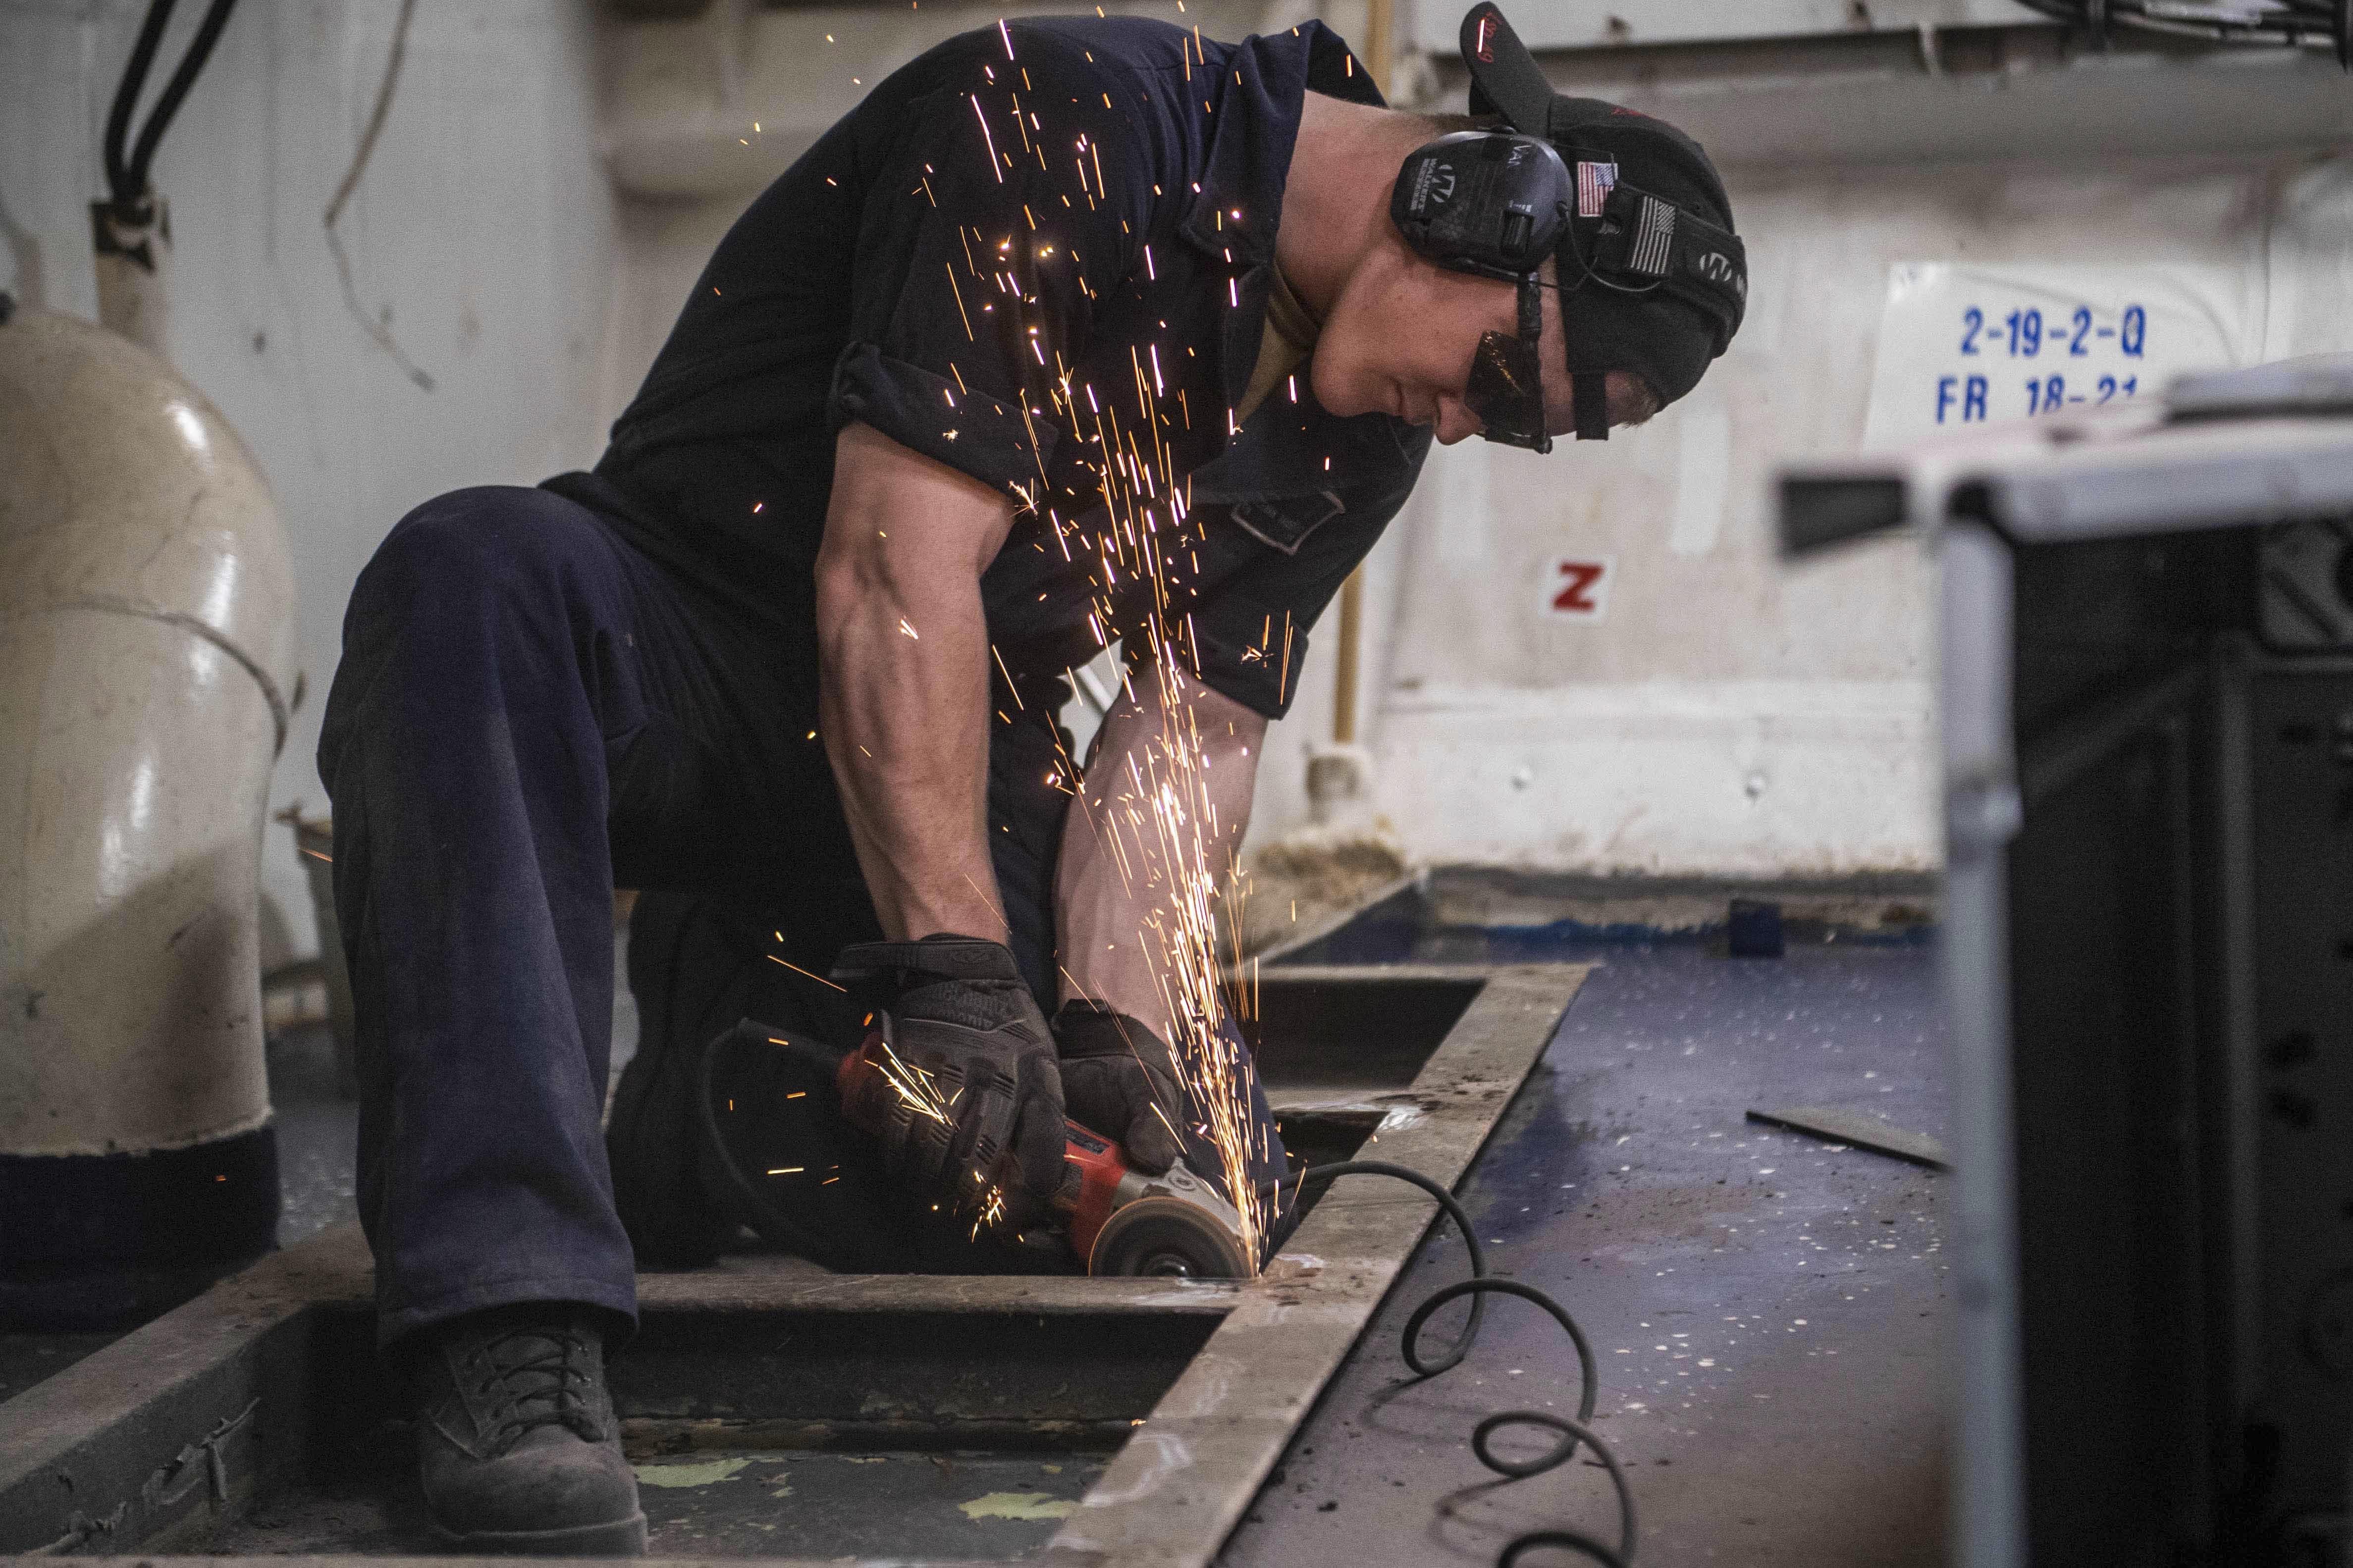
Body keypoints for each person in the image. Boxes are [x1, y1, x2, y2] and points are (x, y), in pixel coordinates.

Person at [316, 1, 1745, 1553]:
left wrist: (1119, 1029)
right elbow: (890, 568)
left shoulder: (1359, 432)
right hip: (686, 645)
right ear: (1480, 203)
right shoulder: (1078, 121)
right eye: (1503, 384)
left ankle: (714, 1072)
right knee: (472, 574)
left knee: (1147, 1168)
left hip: (947, 741)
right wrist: (954, 965)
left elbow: (1189, 739)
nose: (1469, 428)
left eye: (1519, 432)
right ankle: (503, 1324)